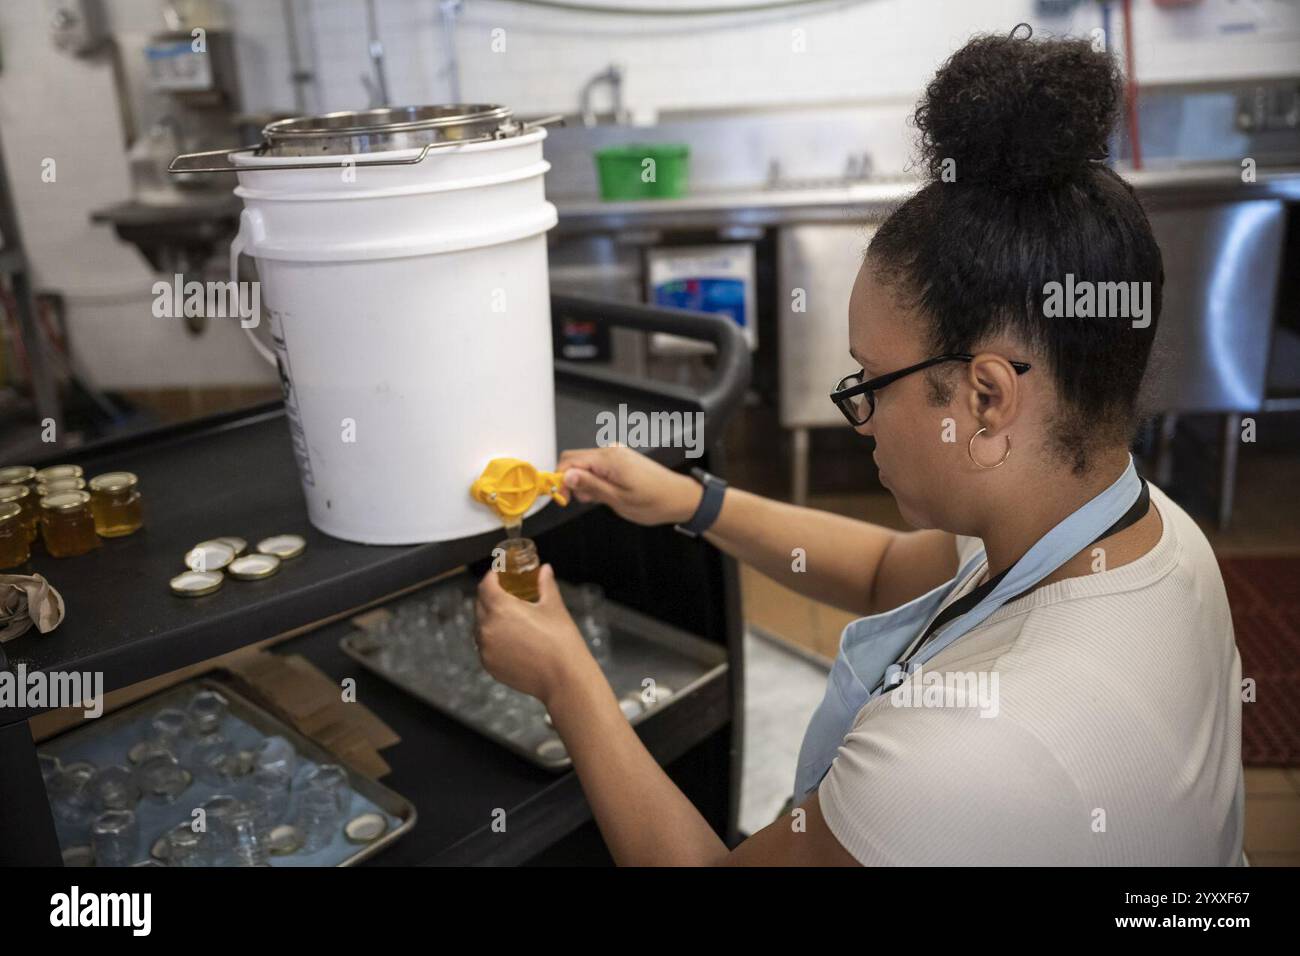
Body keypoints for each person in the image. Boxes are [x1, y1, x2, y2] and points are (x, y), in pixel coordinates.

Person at [474, 27, 1243, 865]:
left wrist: (566, 679)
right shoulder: (1140, 532)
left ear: (986, 399)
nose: (863, 416)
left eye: (871, 381)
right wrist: (694, 502)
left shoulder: (965, 757)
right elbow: (885, 570)